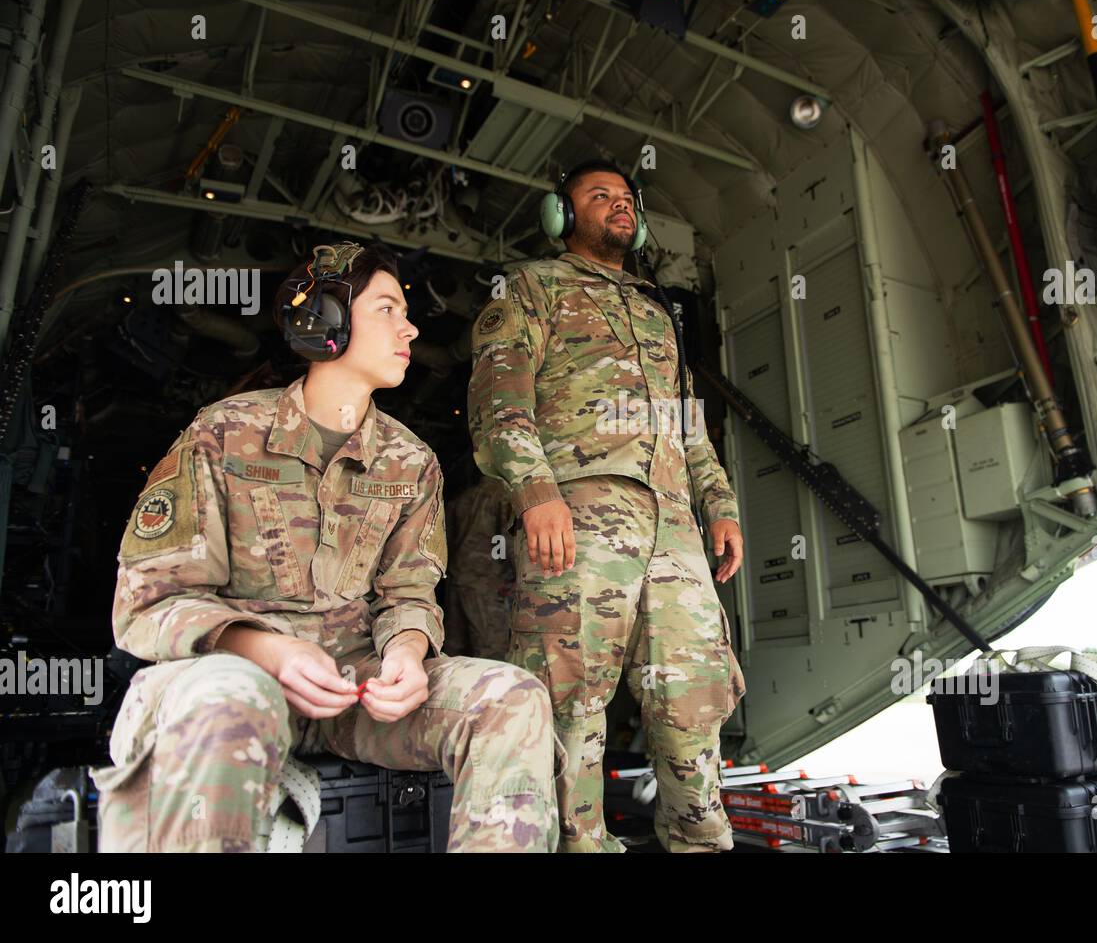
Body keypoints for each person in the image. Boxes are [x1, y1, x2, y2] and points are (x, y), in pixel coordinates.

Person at [93, 241, 560, 852]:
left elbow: (410, 592)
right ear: (326, 322)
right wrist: (268, 651)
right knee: (227, 696)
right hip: (236, 677)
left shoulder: (412, 461)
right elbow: (147, 602)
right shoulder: (224, 433)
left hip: (356, 690)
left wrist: (408, 654)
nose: (411, 327)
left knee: (512, 697)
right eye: (388, 309)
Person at [467, 160, 747, 853]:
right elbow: (499, 399)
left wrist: (720, 503)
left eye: (626, 199)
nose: (619, 206)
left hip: (675, 529)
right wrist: (534, 490)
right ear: (561, 215)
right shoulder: (533, 286)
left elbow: (688, 426)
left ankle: (702, 843)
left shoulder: (658, 314)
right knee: (569, 703)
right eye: (600, 197)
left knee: (695, 696)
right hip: (580, 517)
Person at [442, 473, 515, 661]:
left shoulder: (463, 497)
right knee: (492, 648)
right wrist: (509, 573)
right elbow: (503, 540)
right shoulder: (503, 496)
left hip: (457, 576)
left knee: (453, 646)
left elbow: (446, 539)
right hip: (487, 580)